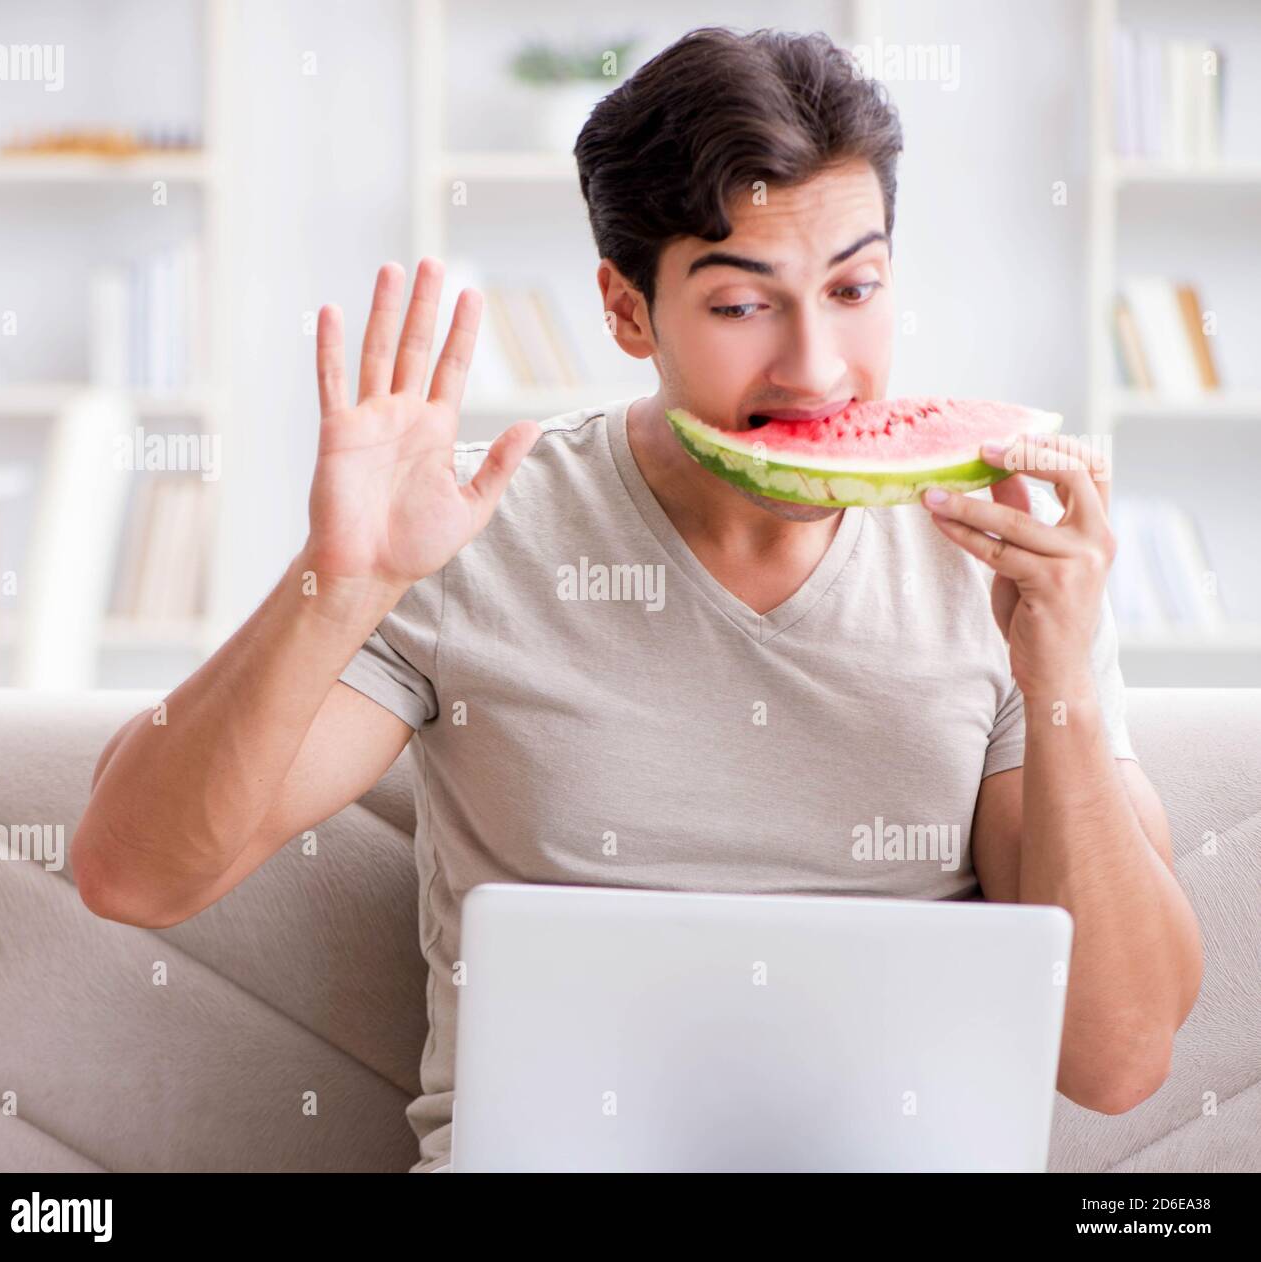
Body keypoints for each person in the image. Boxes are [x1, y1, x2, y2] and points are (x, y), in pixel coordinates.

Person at [71, 26, 1201, 1174]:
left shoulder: (1012, 560)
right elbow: (135, 873)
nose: (815, 367)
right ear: (625, 310)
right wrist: (338, 582)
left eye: (854, 288)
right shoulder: (467, 535)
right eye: (741, 304)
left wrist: (1057, 677)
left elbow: (1116, 1059)